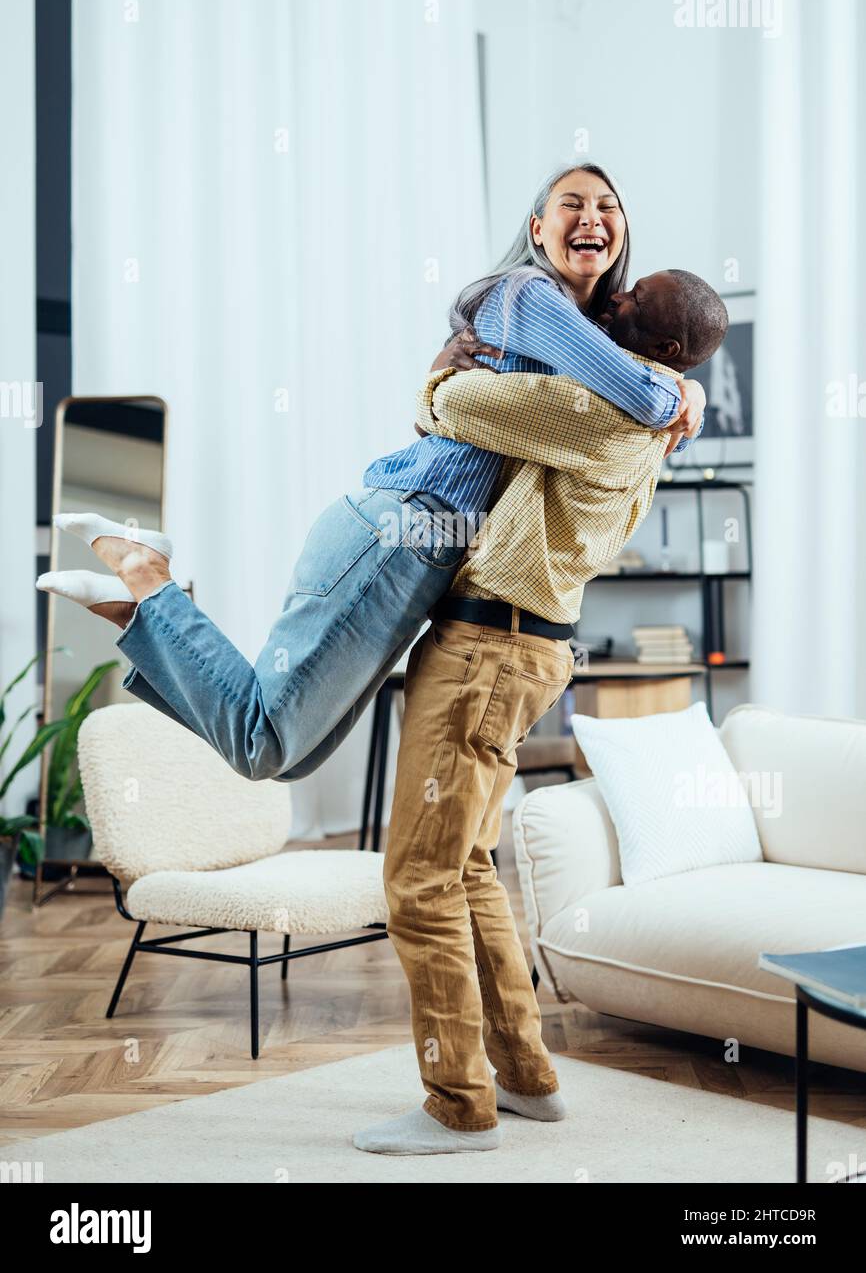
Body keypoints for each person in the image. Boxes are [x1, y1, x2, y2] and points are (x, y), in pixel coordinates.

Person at [36, 163, 705, 785]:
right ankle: (147, 578)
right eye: (572, 204)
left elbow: (616, 393)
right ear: (537, 229)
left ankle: (136, 603)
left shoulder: (586, 338)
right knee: (263, 745)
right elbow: (646, 399)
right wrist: (685, 395)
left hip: (425, 549)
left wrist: (681, 389)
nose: (592, 216)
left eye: (607, 206)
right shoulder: (525, 294)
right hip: (401, 526)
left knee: (294, 756)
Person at [352, 266, 728, 1155]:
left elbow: (462, 408)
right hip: (526, 647)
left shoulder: (600, 410)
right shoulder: (647, 405)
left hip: (487, 649)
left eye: (638, 303)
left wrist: (442, 374)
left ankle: (457, 1107)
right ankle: (525, 1078)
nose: (618, 299)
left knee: (418, 879)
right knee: (469, 866)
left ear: (662, 349)